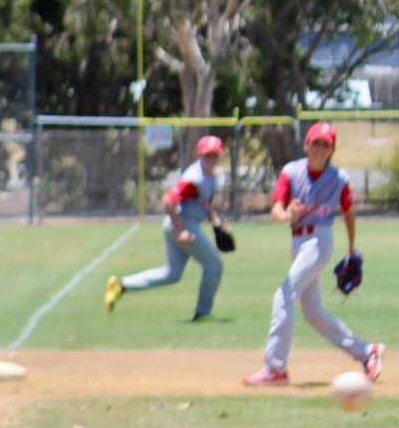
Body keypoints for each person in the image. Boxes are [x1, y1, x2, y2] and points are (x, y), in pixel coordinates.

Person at [242, 122, 385, 387]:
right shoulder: (291, 172)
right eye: (315, 143)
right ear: (306, 144)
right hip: (298, 242)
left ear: (331, 149)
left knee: (284, 295)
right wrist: (288, 215)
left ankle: (275, 368)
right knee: (313, 313)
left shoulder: (339, 179)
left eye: (325, 144)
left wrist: (352, 250)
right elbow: (276, 210)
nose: (319, 149)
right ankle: (368, 351)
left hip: (320, 241)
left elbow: (349, 213)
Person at [105, 134, 231, 321]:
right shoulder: (194, 178)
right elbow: (168, 201)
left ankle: (120, 285)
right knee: (214, 265)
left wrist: (216, 221)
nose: (211, 158)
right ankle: (203, 313)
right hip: (182, 226)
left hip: (179, 226)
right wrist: (181, 231)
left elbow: (204, 203)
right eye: (207, 155)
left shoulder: (209, 176)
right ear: (200, 155)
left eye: (214, 154)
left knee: (171, 274)